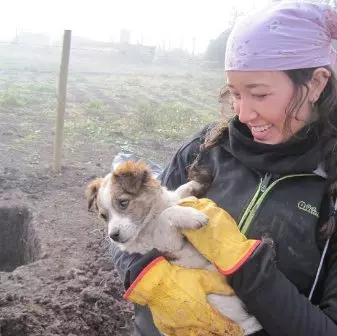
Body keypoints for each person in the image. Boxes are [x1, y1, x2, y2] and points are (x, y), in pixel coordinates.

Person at [111, 2, 337, 335]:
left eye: (259, 94)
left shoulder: (329, 188)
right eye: (235, 93)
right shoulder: (207, 148)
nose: (243, 113)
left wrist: (245, 266)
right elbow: (125, 224)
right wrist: (154, 279)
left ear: (316, 84)